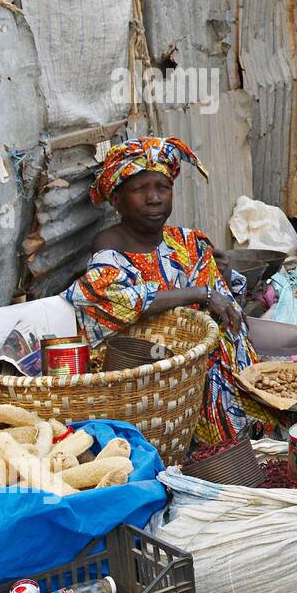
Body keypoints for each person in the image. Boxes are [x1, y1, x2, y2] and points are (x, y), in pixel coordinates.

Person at [62, 137, 266, 447]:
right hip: (155, 380)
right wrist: (200, 294)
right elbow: (117, 299)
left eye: (162, 187)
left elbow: (230, 303)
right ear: (116, 200)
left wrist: (221, 275)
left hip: (208, 370)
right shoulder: (110, 245)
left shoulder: (187, 242)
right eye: (139, 189)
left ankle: (238, 431)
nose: (154, 198)